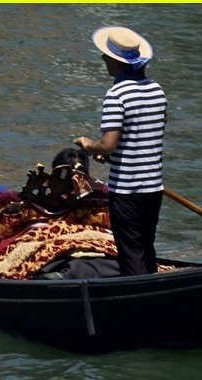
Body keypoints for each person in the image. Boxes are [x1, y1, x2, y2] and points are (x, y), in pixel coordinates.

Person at [73, 25, 167, 277]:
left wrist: (89, 145)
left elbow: (108, 144)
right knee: (146, 246)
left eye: (107, 56)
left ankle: (137, 297)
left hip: (126, 190)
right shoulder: (157, 90)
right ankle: (152, 289)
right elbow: (143, 136)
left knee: (131, 252)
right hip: (153, 187)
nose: (103, 59)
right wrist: (111, 154)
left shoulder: (116, 94)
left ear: (117, 62)